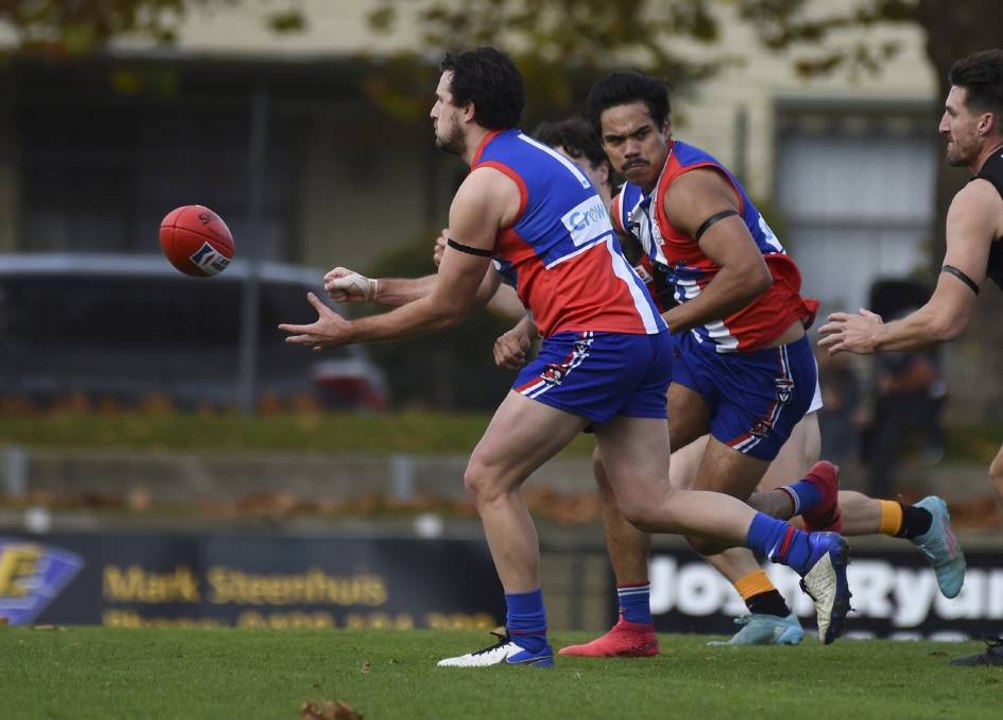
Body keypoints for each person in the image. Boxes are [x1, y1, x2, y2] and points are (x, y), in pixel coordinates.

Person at [280, 47, 851, 668]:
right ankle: (806, 551)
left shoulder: (483, 186)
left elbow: (449, 307)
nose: (432, 112)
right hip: (644, 340)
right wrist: (373, 289)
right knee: (648, 501)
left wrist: (350, 334)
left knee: (488, 477)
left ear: (467, 109)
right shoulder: (539, 159)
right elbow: (476, 285)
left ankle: (526, 641)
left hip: (596, 340)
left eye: (440, 100)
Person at [549, 69, 965, 655]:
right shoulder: (631, 202)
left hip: (767, 370)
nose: (629, 150)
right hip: (706, 356)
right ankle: (636, 626)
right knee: (616, 469)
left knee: (706, 523)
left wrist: (661, 325)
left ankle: (885, 520)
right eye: (615, 141)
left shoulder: (688, 188)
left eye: (640, 134)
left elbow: (750, 275)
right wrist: (536, 324)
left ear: (667, 129)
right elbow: (648, 277)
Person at [819, 48, 1003, 667]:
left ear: (985, 123)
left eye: (953, 113)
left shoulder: (980, 196)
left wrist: (876, 337)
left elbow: (947, 317)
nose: (943, 125)